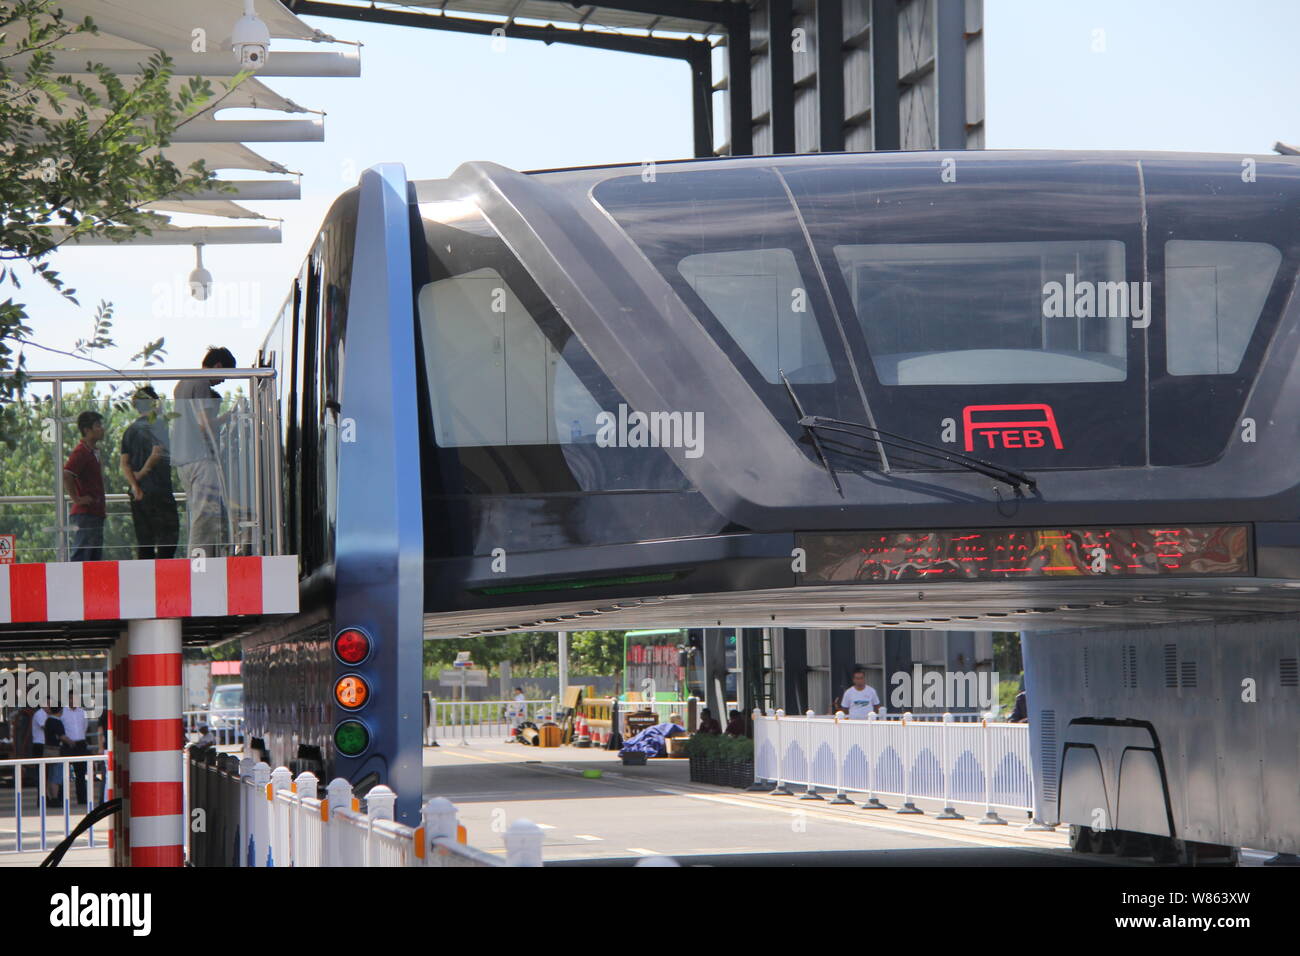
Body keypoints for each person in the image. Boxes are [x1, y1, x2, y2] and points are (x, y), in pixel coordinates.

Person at [173, 347, 236, 559]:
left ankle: (199, 560)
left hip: (183, 459)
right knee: (205, 516)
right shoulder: (200, 382)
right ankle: (200, 565)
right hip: (200, 457)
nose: (223, 381)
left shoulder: (182, 383)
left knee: (197, 513)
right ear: (217, 366)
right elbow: (204, 424)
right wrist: (227, 418)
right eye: (225, 375)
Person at [119, 386, 180, 559]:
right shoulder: (158, 424)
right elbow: (157, 452)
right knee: (168, 538)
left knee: (145, 542)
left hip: (139, 494)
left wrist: (134, 484)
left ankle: (145, 581)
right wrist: (143, 472)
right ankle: (163, 578)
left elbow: (124, 463)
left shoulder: (130, 431)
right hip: (160, 491)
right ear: (154, 402)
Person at [63, 410, 107, 560]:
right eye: (97, 425)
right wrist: (77, 499)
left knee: (93, 557)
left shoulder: (93, 451)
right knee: (82, 556)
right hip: (86, 512)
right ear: (87, 430)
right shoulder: (81, 451)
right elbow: (67, 473)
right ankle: (75, 583)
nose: (101, 428)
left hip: (94, 511)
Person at [61, 702, 89, 804]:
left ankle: (82, 798)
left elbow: (85, 726)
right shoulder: (63, 711)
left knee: (81, 773)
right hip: (67, 744)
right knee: (64, 773)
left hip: (80, 744)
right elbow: (61, 727)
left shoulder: (82, 712)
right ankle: (63, 799)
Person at [43, 706, 66, 801]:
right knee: (56, 775)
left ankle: (49, 796)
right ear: (60, 710)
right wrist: (71, 742)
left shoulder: (48, 721)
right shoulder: (57, 722)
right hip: (56, 751)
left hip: (47, 750)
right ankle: (55, 797)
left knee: (50, 775)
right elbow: (62, 736)